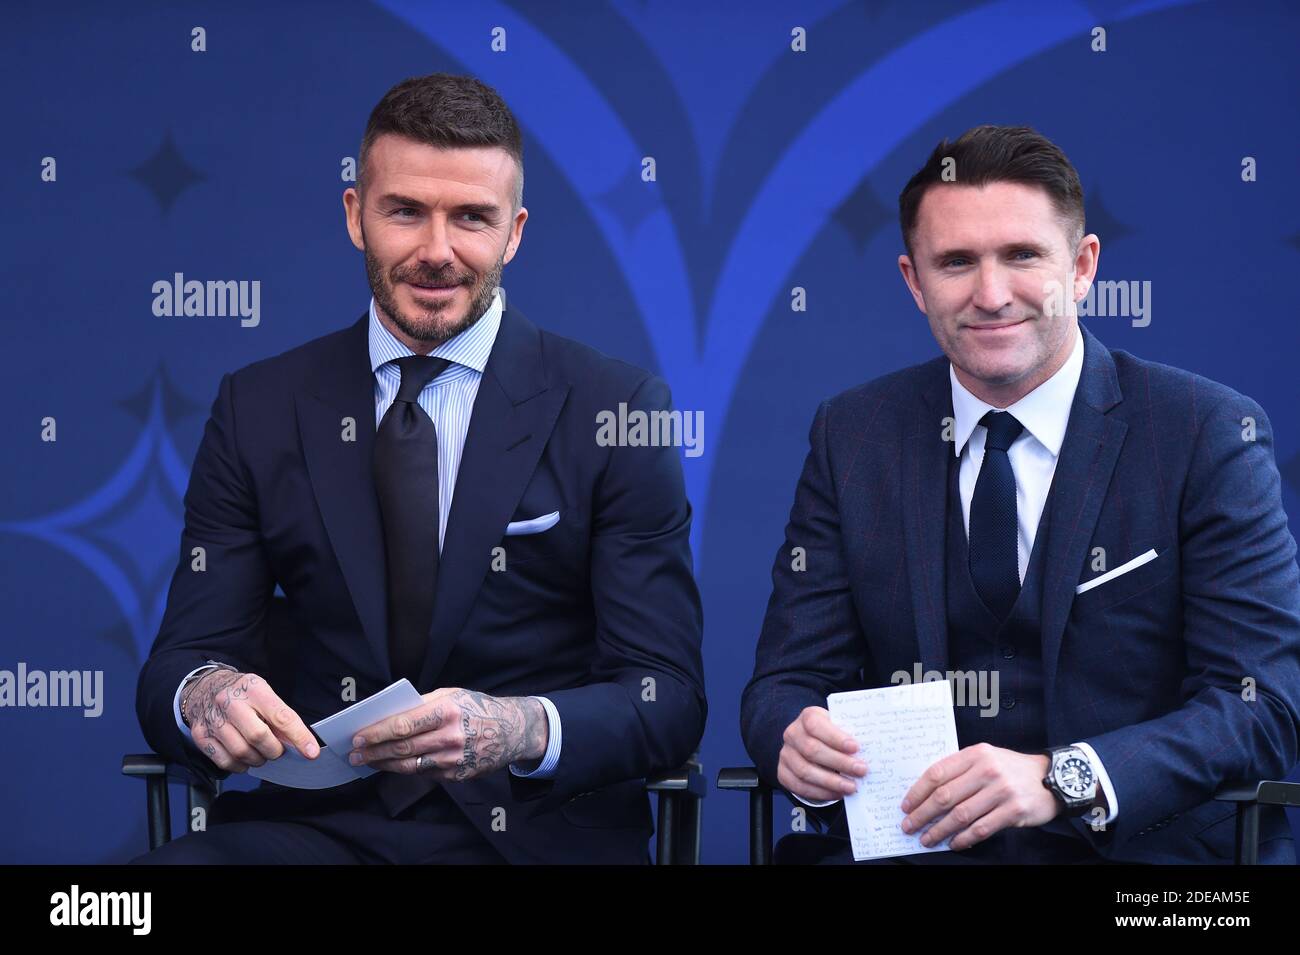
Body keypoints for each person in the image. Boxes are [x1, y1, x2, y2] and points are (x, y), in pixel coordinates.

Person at [132, 72, 705, 865]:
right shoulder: (258, 406)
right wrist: (207, 695)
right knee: (100, 912)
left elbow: (667, 695)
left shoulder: (617, 406)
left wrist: (518, 727)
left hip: (536, 834)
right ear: (354, 215)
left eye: (472, 217)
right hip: (312, 831)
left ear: (515, 233)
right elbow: (181, 657)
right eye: (405, 211)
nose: (438, 252)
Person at [741, 125, 1300, 864]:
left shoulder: (1206, 432)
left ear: (1083, 265)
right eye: (957, 262)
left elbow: (1259, 705)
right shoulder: (852, 433)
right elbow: (785, 681)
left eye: (1022, 255)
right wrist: (797, 737)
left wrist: (1064, 778)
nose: (992, 293)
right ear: (914, 281)